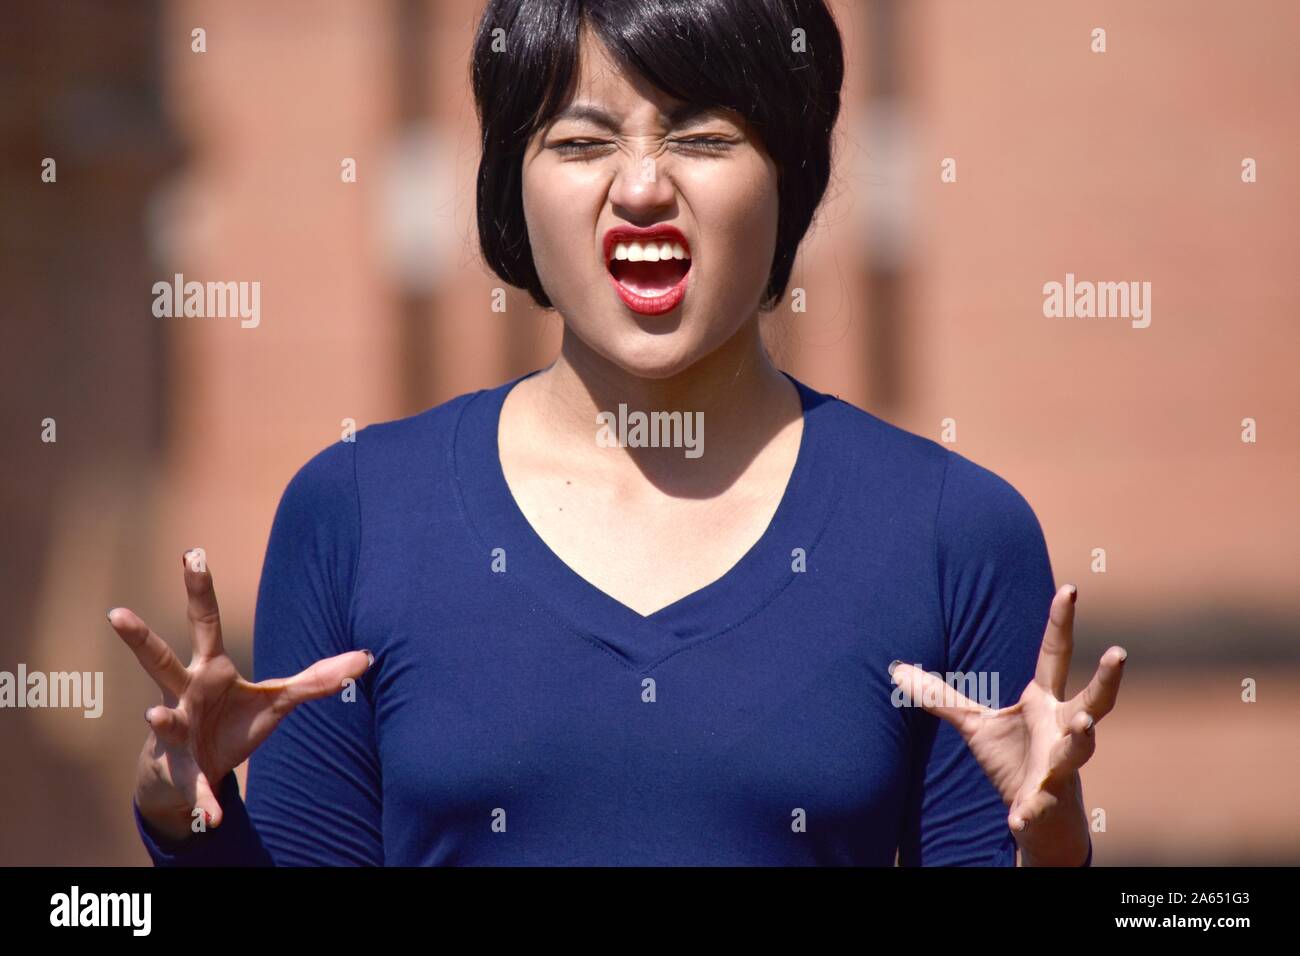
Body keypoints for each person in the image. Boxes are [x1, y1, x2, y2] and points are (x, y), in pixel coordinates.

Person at [111, 0, 1124, 866]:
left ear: (792, 172)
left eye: (702, 137)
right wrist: (188, 820)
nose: (640, 187)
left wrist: (1054, 853)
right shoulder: (358, 513)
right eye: (582, 141)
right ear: (513, 182)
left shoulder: (953, 535)